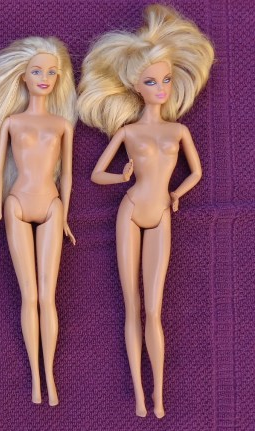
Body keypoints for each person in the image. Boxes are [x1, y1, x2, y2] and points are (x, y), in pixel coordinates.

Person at [77, 4, 213, 418]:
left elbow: (196, 172)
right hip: (132, 209)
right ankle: (139, 394)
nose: (161, 88)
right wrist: (121, 176)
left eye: (166, 79)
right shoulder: (128, 132)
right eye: (152, 81)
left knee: (154, 308)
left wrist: (178, 193)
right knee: (132, 304)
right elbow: (96, 174)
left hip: (161, 213)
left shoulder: (178, 130)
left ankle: (159, 395)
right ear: (135, 87)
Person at [0, 36, 76, 406]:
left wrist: (65, 214)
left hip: (51, 205)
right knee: (30, 295)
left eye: (51, 72)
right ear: (23, 77)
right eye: (37, 72)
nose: (45, 78)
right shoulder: (11, 122)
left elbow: (67, 175)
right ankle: (36, 379)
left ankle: (51, 376)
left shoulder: (62, 124)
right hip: (16, 204)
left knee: (47, 295)